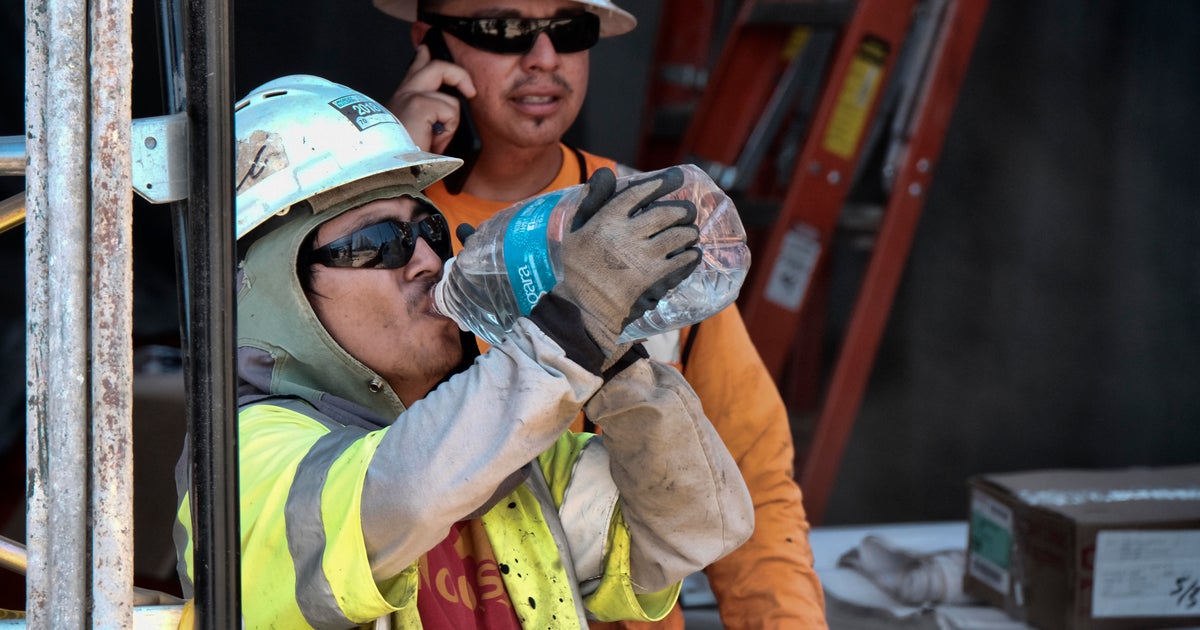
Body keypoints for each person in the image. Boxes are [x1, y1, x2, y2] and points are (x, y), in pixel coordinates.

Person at [172, 74, 754, 629]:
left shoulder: (500, 452)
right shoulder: (239, 459)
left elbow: (699, 527)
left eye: (427, 230)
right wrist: (568, 331)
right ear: (276, 291)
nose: (429, 260)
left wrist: (614, 362)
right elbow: (400, 495)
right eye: (378, 244)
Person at [376, 0, 828, 627]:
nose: (543, 59)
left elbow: (751, 476)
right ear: (431, 45)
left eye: (568, 29)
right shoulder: (374, 243)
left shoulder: (649, 224)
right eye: (504, 31)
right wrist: (387, 172)